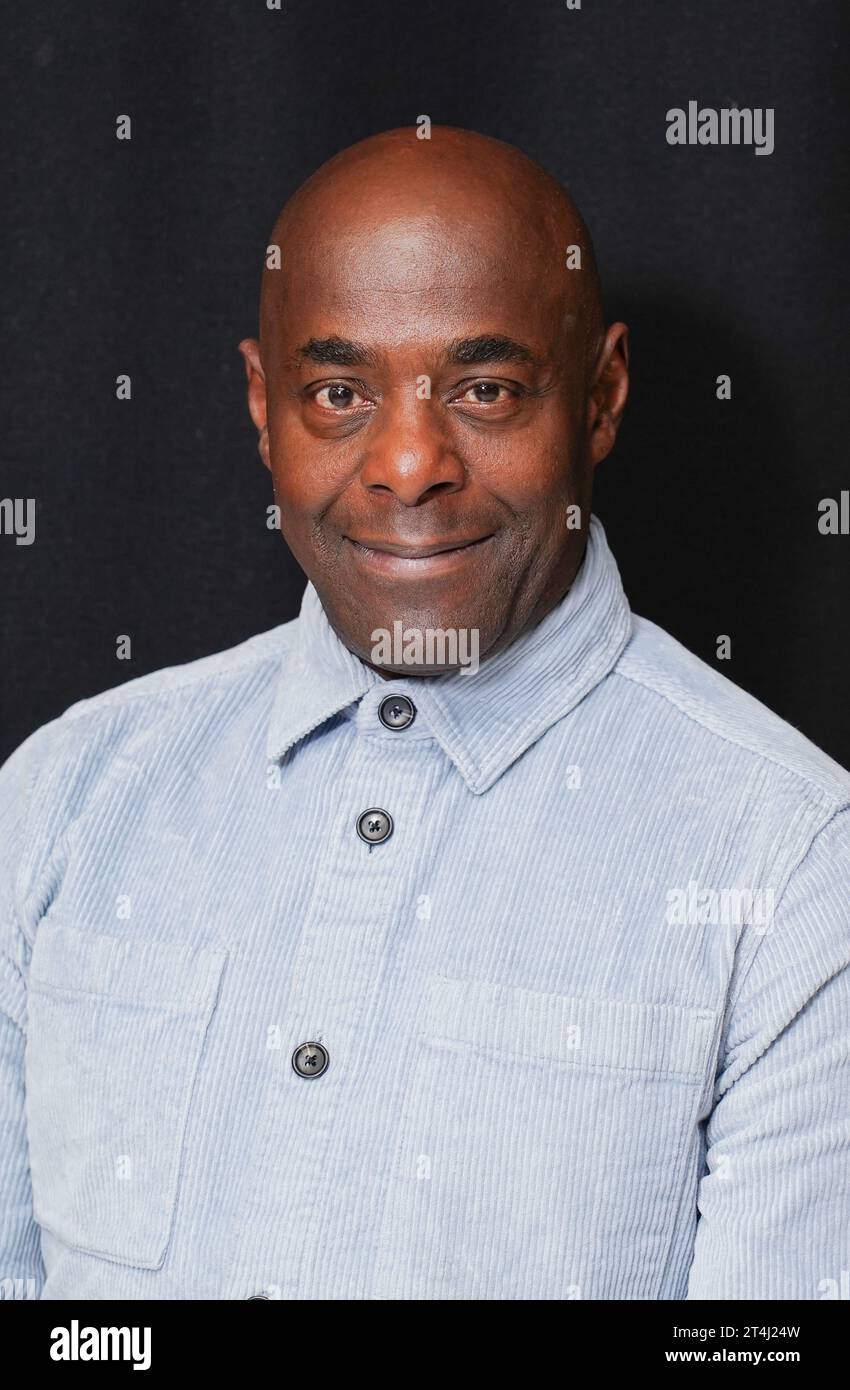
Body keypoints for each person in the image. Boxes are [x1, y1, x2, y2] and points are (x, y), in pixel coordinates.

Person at [1, 126, 848, 1302]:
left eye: (486, 389)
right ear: (262, 405)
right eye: (339, 393)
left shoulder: (797, 866)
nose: (407, 463)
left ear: (599, 398)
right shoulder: (59, 799)